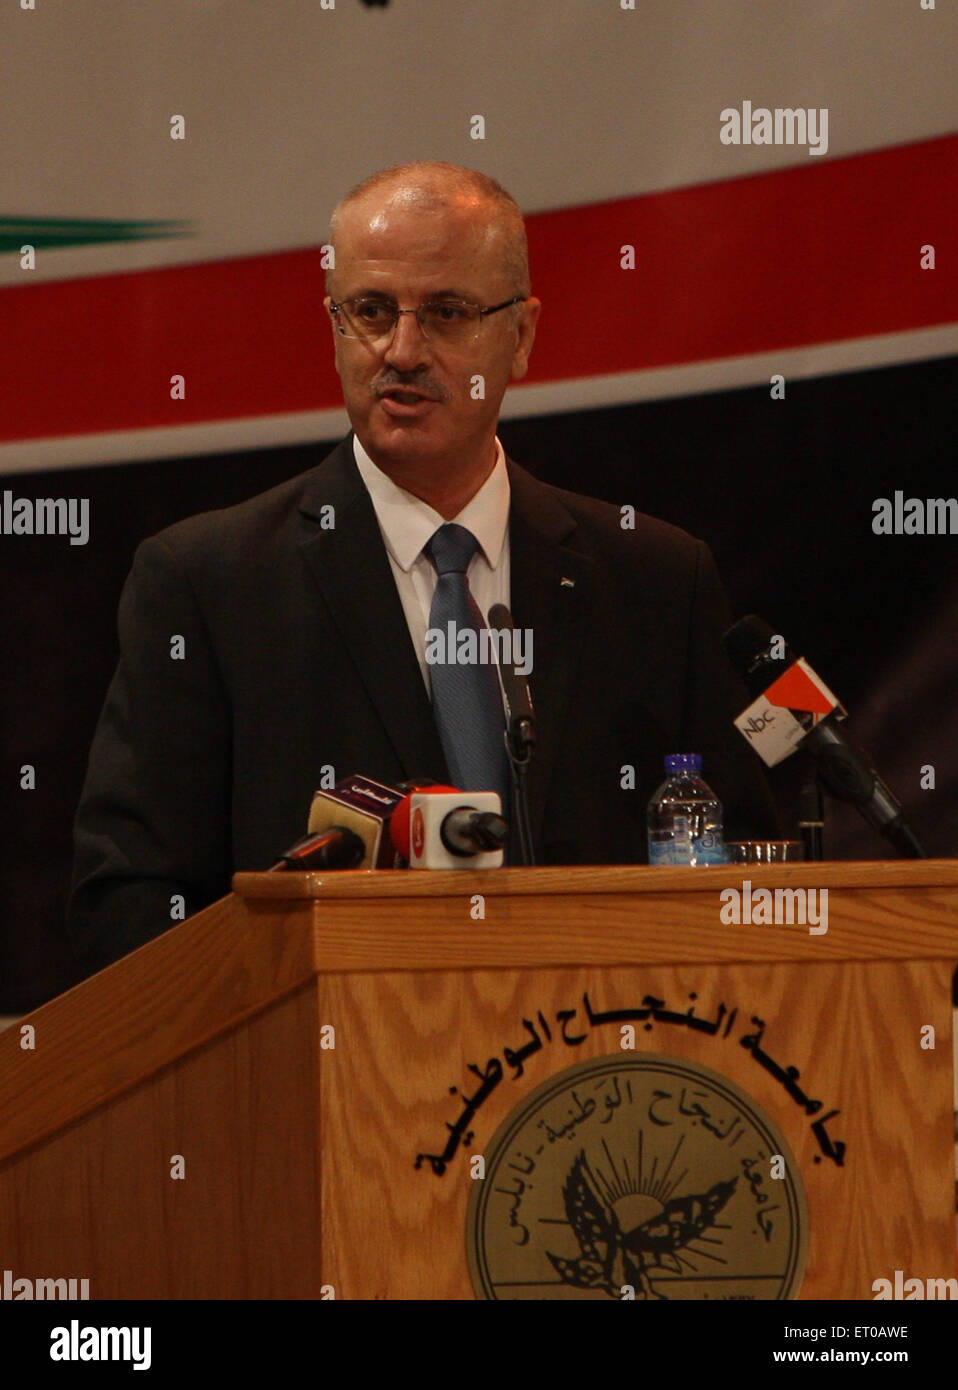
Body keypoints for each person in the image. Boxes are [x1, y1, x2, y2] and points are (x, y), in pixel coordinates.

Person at [67, 161, 778, 977]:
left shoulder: (656, 580)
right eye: (371, 312)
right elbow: (128, 903)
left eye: (447, 313)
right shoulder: (209, 584)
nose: (402, 352)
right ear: (334, 326)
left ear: (522, 336)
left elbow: (746, 875)